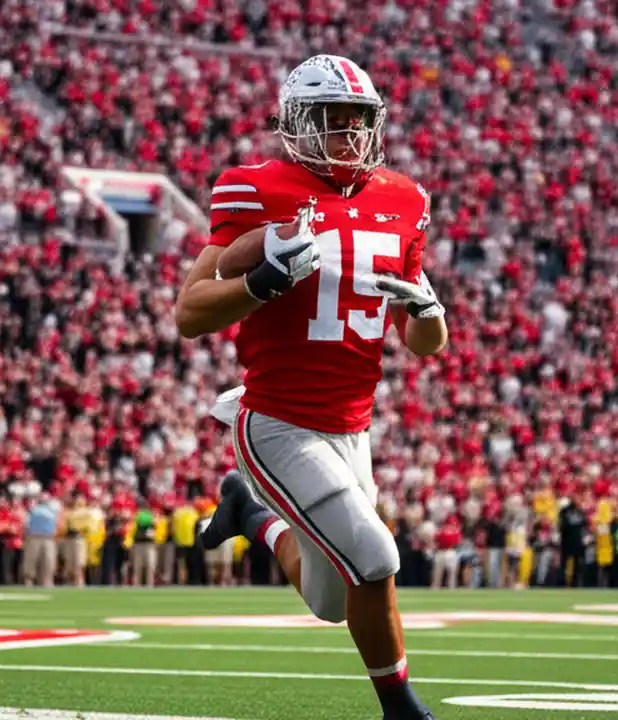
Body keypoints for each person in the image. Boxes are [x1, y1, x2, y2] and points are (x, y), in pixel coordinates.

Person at [177, 54, 446, 720]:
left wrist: (431, 315)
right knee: (377, 555)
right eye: (333, 121)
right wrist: (259, 283)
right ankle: (402, 710)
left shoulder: (404, 200)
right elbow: (190, 313)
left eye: (359, 121)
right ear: (298, 122)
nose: (350, 135)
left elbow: (421, 341)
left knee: (334, 600)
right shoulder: (254, 188)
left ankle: (253, 517)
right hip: (276, 420)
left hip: (352, 427)